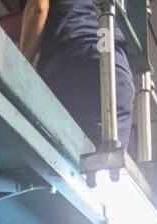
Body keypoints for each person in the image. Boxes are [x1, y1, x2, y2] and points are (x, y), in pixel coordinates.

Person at [18, 0, 134, 148]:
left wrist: (20, 66)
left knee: (57, 161)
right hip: (116, 71)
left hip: (71, 61)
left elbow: (38, 8)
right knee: (106, 161)